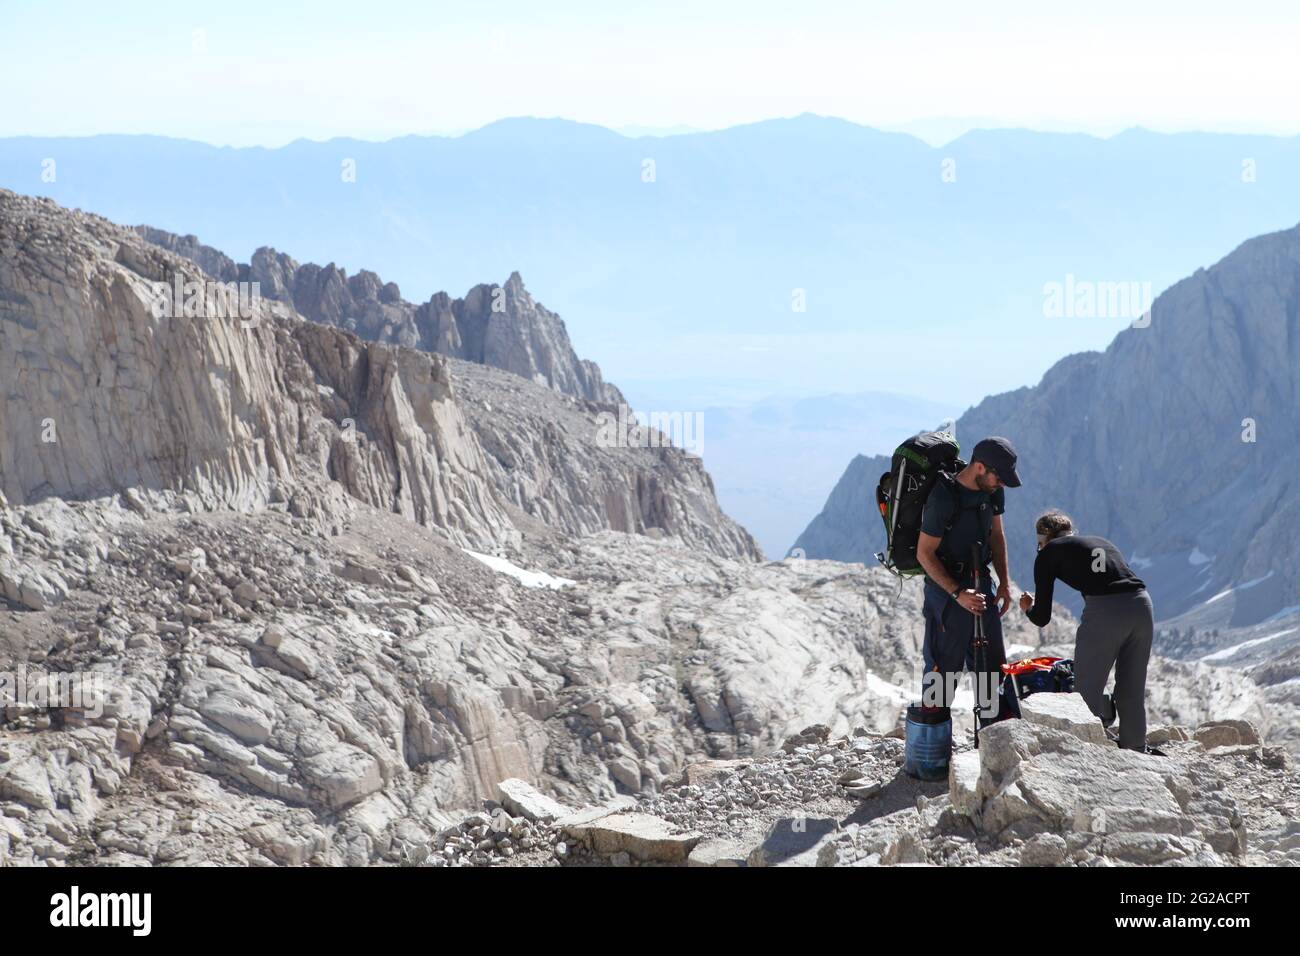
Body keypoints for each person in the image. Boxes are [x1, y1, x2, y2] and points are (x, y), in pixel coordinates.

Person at [1018, 510, 1154, 751]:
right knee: (1130, 689)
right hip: (1142, 605)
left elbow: (1042, 618)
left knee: (1086, 692)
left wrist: (1028, 608)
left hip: (1105, 611)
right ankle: (1136, 750)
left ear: (1043, 538)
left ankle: (1084, 755)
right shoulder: (1101, 542)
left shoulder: (1049, 552)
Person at [915, 437, 1020, 721]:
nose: (1001, 484)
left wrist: (1005, 583)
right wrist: (956, 593)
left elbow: (996, 536)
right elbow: (924, 554)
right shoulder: (943, 497)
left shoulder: (993, 491)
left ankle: (996, 742)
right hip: (946, 591)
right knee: (943, 670)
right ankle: (931, 751)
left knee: (992, 667)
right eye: (998, 476)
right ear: (980, 467)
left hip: (981, 583)